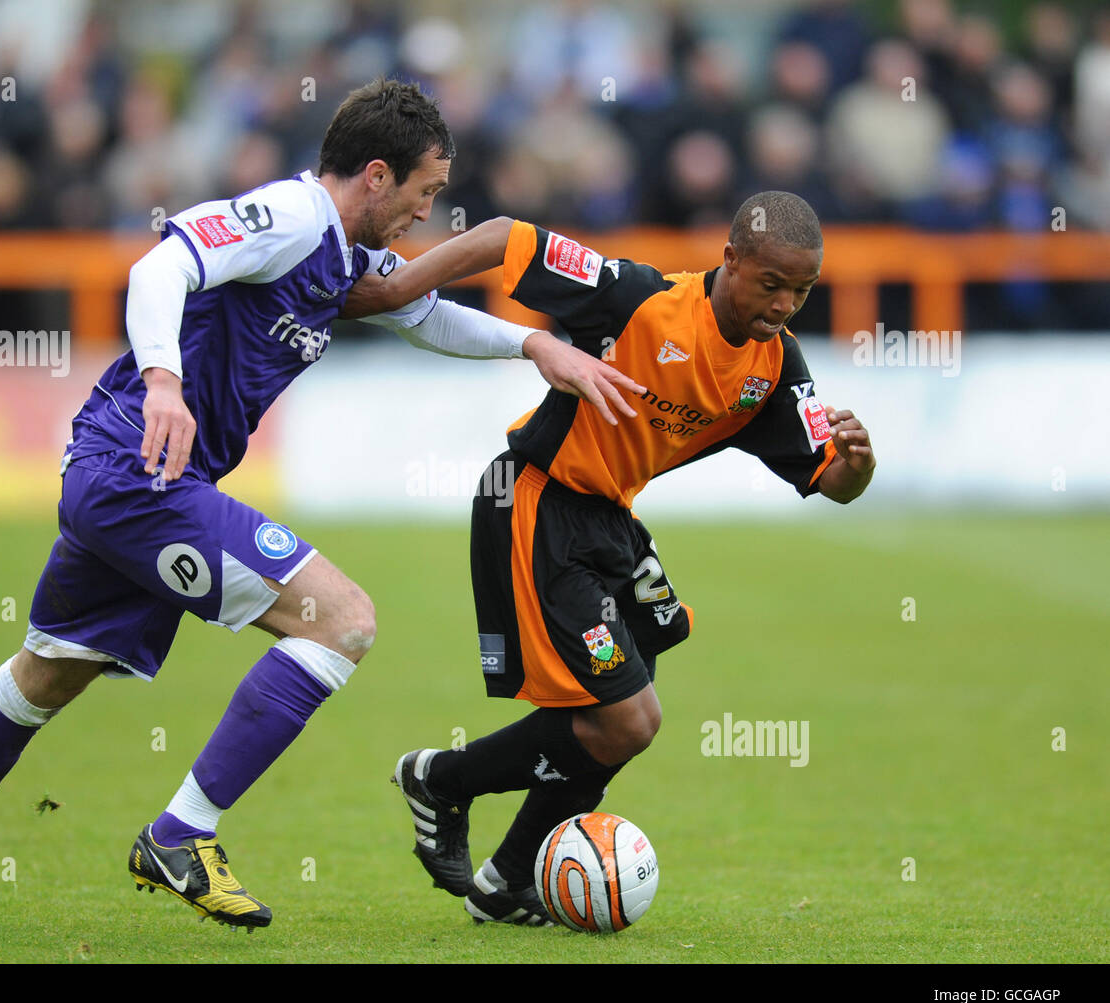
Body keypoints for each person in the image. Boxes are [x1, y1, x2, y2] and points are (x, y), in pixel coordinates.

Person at [0, 78, 641, 930]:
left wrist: (530, 343)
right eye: (424, 192)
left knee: (50, 671)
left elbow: (424, 315)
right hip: (141, 467)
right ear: (376, 176)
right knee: (341, 621)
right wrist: (164, 378)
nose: (425, 214)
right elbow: (160, 264)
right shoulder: (291, 216)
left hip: (131, 475)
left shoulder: (340, 252)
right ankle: (180, 833)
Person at [354, 190, 875, 924]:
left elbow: (833, 480)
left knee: (620, 727)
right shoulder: (639, 299)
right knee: (625, 720)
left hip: (611, 524)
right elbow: (507, 235)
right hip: (535, 500)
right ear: (729, 260)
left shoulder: (777, 368)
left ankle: (503, 882)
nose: (786, 302)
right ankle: (441, 780)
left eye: (802, 289)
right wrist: (400, 286)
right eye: (771, 283)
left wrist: (860, 463)